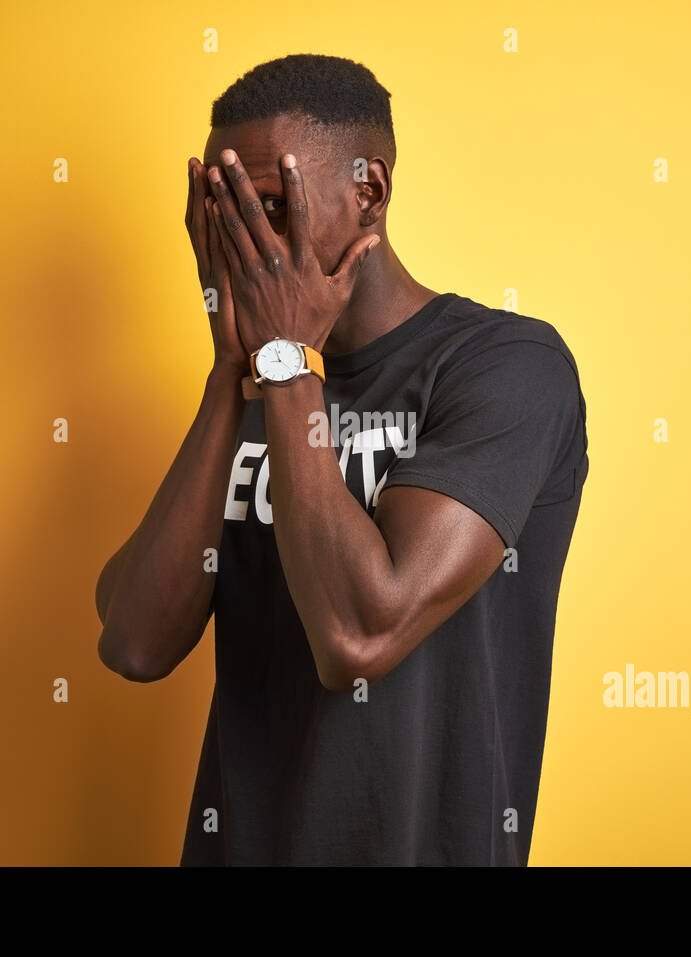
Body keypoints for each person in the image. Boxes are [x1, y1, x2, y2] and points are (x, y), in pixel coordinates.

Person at [95, 53, 589, 865]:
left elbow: (360, 632)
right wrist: (235, 368)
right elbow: (134, 643)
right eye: (228, 212)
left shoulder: (506, 367)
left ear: (370, 193)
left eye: (275, 205)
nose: (249, 240)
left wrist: (285, 361)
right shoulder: (256, 382)